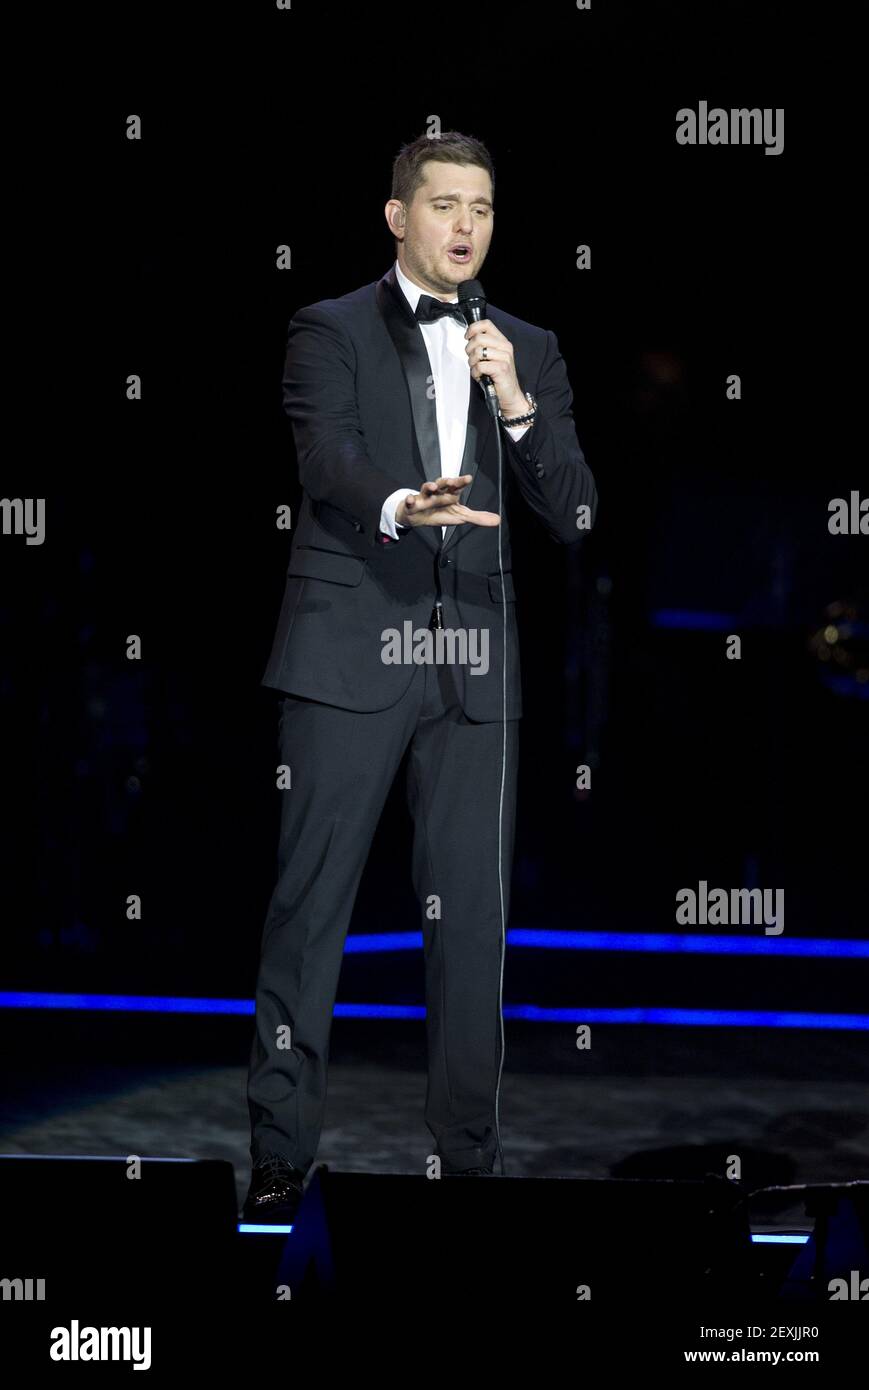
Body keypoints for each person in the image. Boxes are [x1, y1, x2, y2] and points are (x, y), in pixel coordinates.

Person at [243, 130, 597, 1223]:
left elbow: (574, 512)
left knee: (473, 924)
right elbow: (327, 460)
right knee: (310, 912)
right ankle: (280, 1154)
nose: (462, 225)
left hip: (474, 665)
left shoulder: (524, 346)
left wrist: (519, 408)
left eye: (480, 208)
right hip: (351, 647)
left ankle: (468, 1163)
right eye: (441, 204)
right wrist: (402, 503)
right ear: (398, 216)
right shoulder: (328, 327)